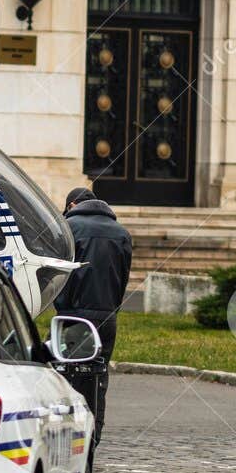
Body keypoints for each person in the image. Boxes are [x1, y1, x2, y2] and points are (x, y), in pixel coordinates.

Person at [53, 185, 133, 439]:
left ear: (72, 205)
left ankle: (70, 432)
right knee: (99, 375)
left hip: (73, 314)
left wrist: (62, 305)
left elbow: (60, 273)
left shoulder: (69, 228)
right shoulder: (121, 232)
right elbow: (123, 277)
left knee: (66, 375)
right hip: (106, 316)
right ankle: (94, 433)